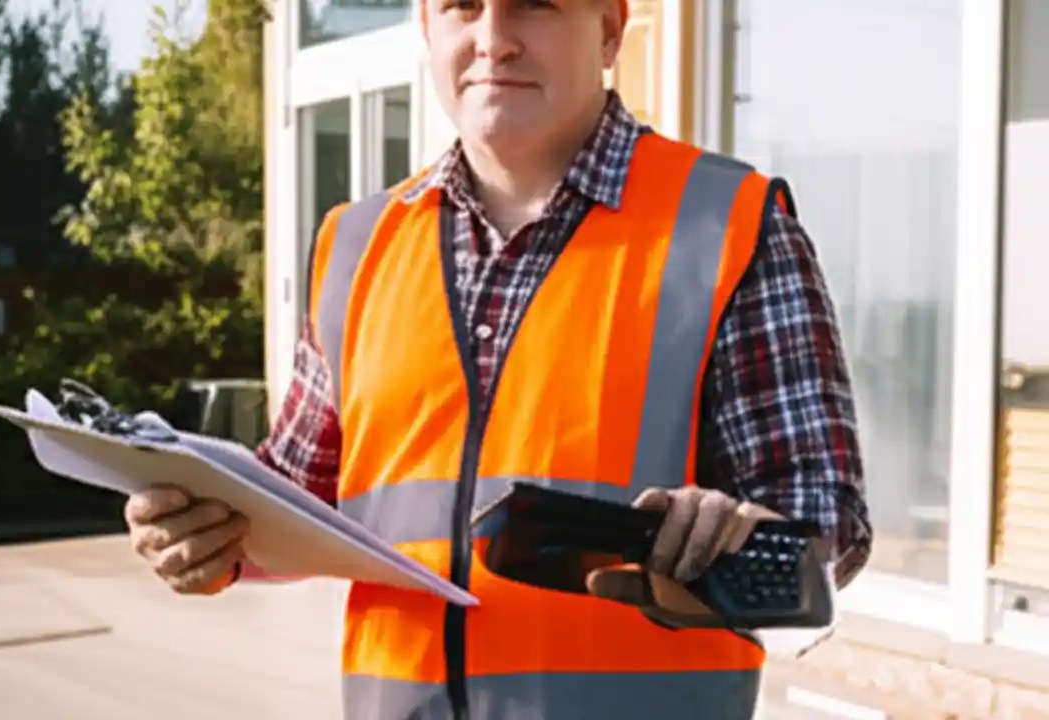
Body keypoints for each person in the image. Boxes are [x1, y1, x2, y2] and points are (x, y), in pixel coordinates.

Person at [123, 0, 872, 716]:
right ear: (427, 26)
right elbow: (295, 503)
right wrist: (202, 533)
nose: (493, 38)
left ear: (610, 31)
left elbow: (825, 526)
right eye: (461, 6)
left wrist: (732, 532)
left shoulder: (729, 226)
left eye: (534, 5)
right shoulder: (357, 246)